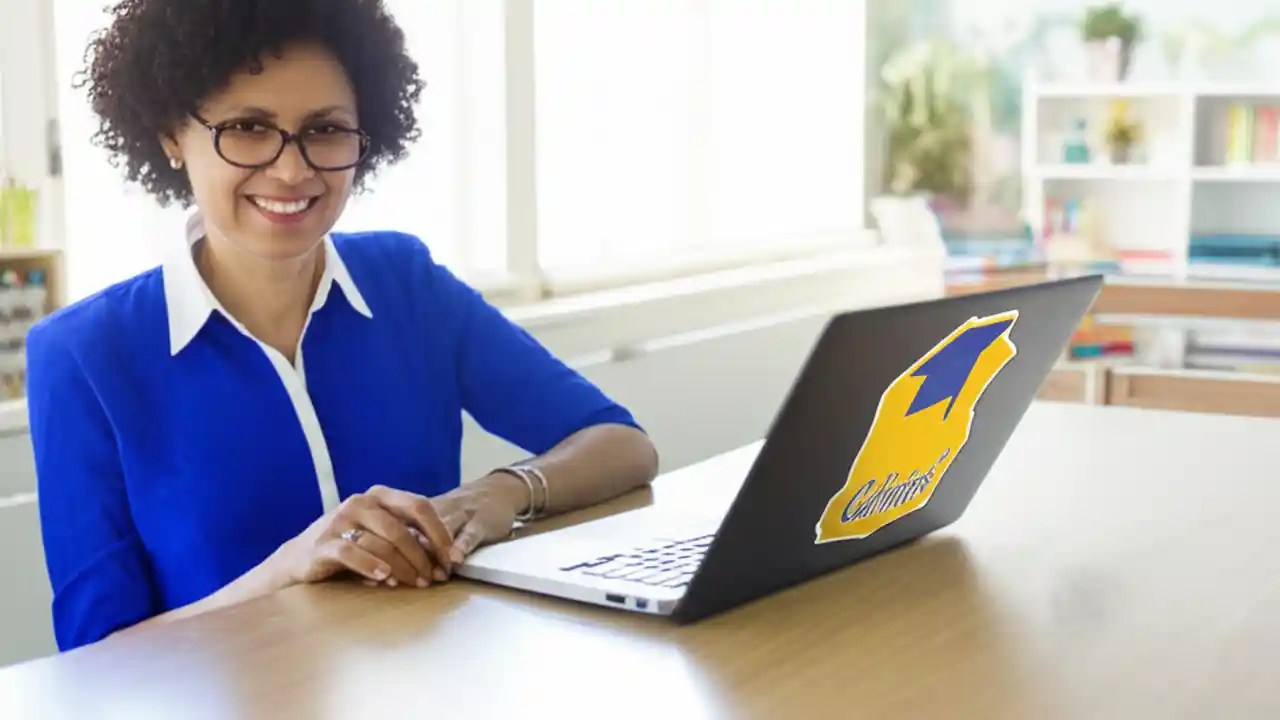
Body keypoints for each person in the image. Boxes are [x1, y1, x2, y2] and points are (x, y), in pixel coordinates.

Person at [26, 0, 658, 652]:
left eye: (325, 130)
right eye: (248, 127)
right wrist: (289, 568)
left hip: (433, 690)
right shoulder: (83, 356)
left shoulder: (405, 282)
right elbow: (96, 660)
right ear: (169, 134)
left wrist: (503, 493)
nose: (293, 169)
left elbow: (622, 444)